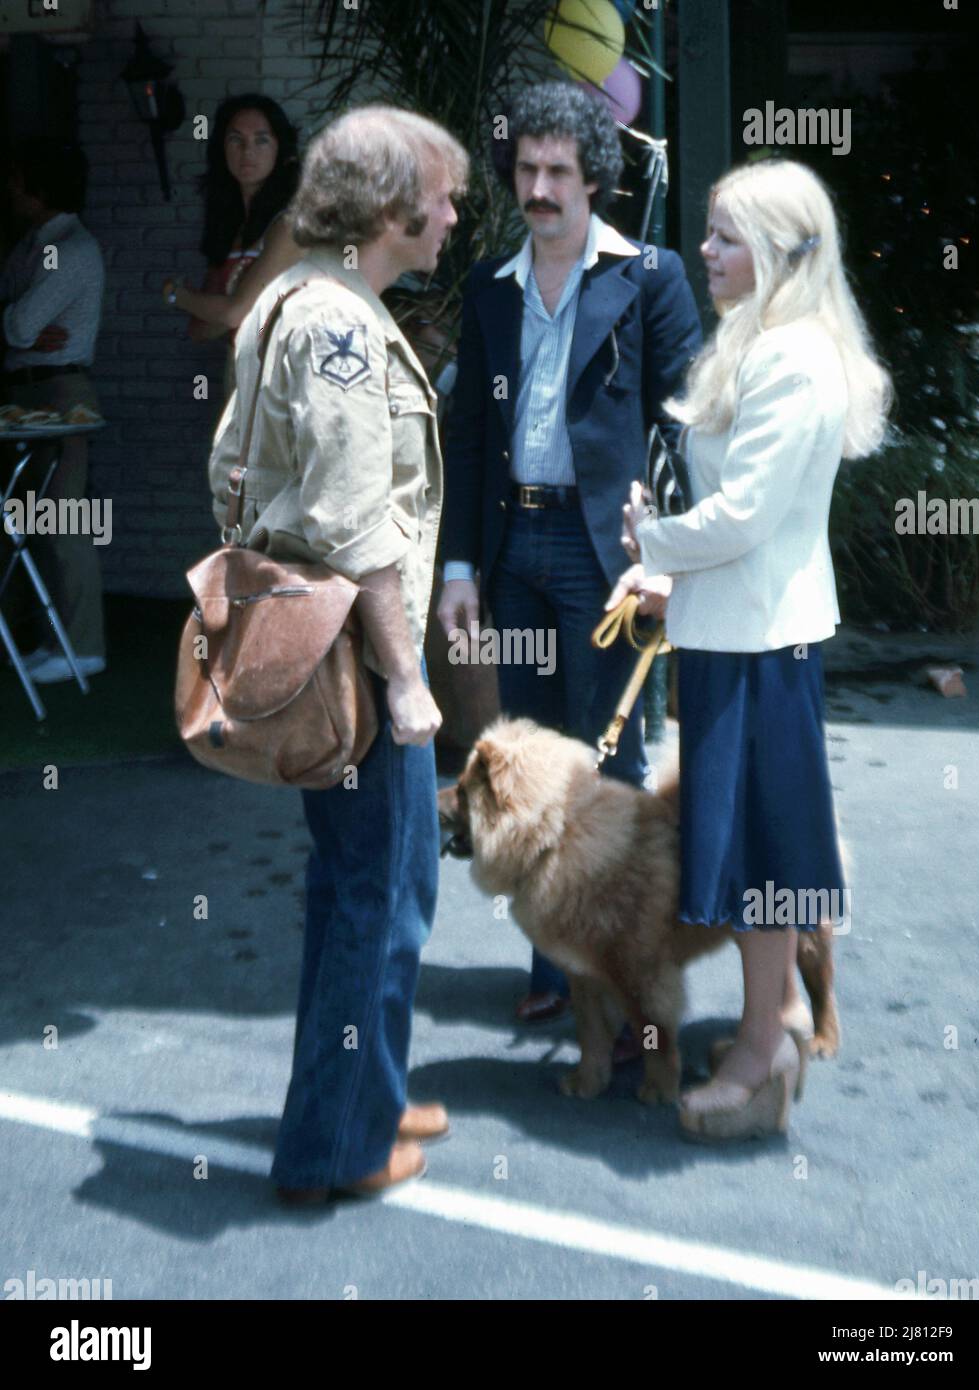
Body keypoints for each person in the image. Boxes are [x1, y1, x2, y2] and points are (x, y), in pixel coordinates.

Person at [208, 106, 468, 1201]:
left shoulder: (307, 302)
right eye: (443, 196)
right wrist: (407, 680)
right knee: (380, 896)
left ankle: (371, 1086)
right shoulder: (340, 327)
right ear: (389, 206)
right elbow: (359, 526)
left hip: (331, 647)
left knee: (372, 884)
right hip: (355, 662)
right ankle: (336, 1146)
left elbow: (239, 474)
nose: (456, 215)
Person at [610, 158, 890, 1141]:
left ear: (775, 252)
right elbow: (736, 522)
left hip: (757, 642)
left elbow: (743, 515)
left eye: (725, 236)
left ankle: (761, 1045)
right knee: (752, 853)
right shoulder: (767, 342)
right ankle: (766, 1030)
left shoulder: (792, 359)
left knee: (762, 857)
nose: (705, 250)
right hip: (740, 633)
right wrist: (671, 561)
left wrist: (652, 544)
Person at [437, 81, 702, 1023]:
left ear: (594, 177)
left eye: (558, 170)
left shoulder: (652, 279)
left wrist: (667, 542)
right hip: (513, 553)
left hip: (606, 560)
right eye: (526, 169)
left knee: (611, 768)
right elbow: (467, 434)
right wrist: (458, 569)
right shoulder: (487, 288)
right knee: (532, 771)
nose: (539, 187)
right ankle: (558, 971)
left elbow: (687, 423)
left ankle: (628, 972)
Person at [0, 138, 106, 683]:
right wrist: (18, 332)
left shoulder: (68, 248)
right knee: (27, 522)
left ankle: (84, 647)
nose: (11, 188)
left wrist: (17, 331)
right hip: (27, 394)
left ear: (41, 183)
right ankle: (50, 640)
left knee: (65, 520)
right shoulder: (32, 245)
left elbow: (19, 325)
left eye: (18, 178)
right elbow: (16, 323)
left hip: (62, 394)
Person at [162, 95, 302, 394]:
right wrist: (226, 307)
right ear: (221, 148)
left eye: (261, 140)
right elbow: (200, 329)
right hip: (241, 366)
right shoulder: (229, 227)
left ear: (281, 148)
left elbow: (230, 314)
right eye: (235, 140)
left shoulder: (290, 223)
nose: (247, 151)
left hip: (289, 371)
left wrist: (177, 295)